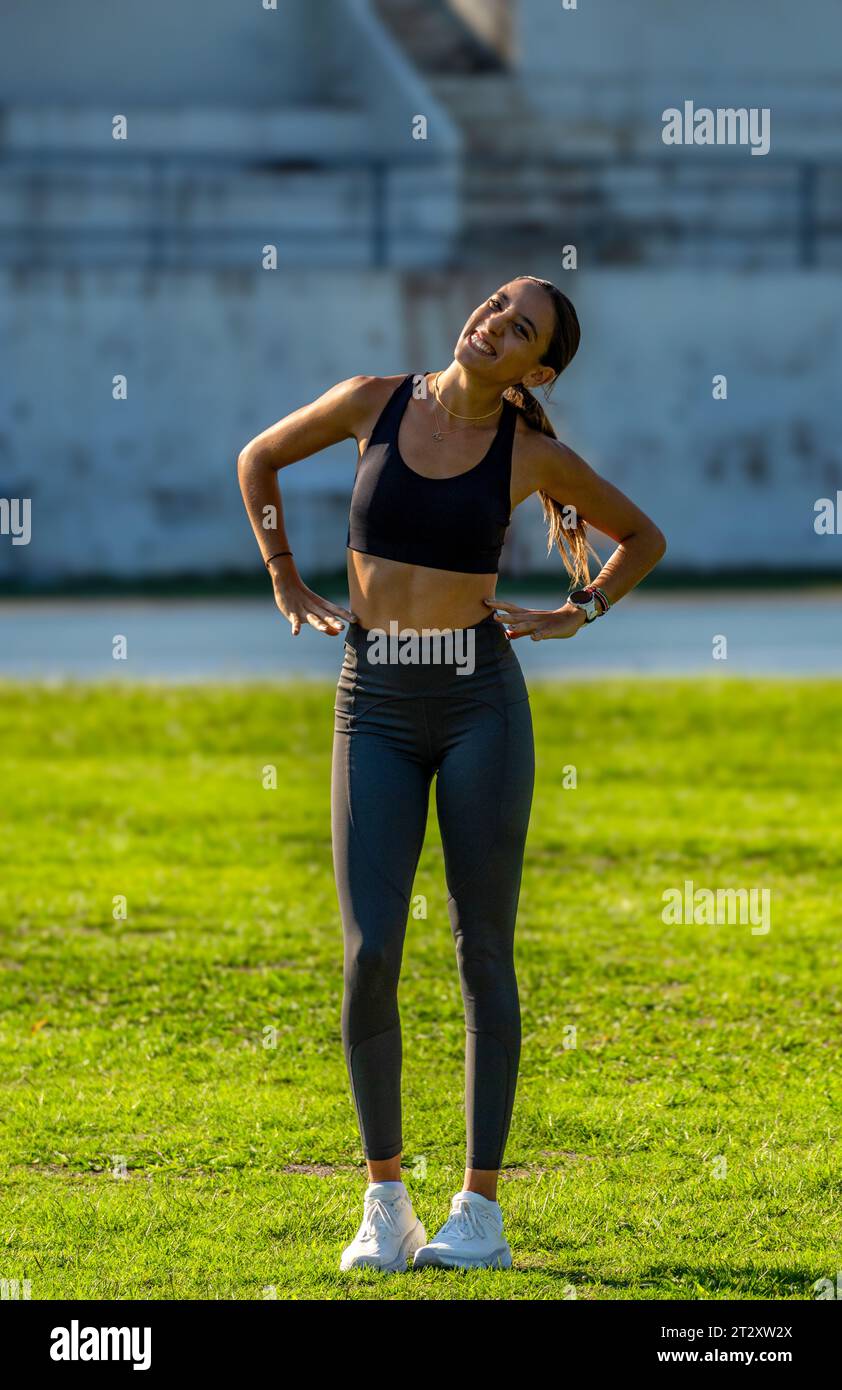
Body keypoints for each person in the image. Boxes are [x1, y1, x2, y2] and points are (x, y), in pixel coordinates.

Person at [237, 275, 667, 1273]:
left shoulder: (531, 455)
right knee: (367, 953)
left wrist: (579, 609)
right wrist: (283, 574)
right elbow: (259, 458)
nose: (492, 322)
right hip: (373, 700)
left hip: (478, 703)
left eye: (518, 328)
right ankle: (383, 1201)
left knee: (483, 952)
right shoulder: (370, 402)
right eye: (493, 305)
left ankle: (479, 1213)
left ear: (536, 369)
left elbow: (639, 538)